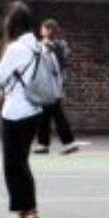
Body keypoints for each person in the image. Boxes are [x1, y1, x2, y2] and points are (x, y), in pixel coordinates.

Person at [0, 2, 42, 218]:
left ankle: (26, 208)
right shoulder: (39, 46)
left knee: (14, 162)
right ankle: (28, 207)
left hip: (17, 110)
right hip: (35, 107)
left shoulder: (15, 48)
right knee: (22, 160)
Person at [33, 19, 78, 156]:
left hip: (50, 85)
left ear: (49, 30)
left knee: (57, 115)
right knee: (45, 115)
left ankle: (68, 143)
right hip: (53, 85)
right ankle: (44, 144)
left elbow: (52, 67)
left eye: (43, 28)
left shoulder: (47, 47)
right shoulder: (60, 45)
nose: (41, 30)